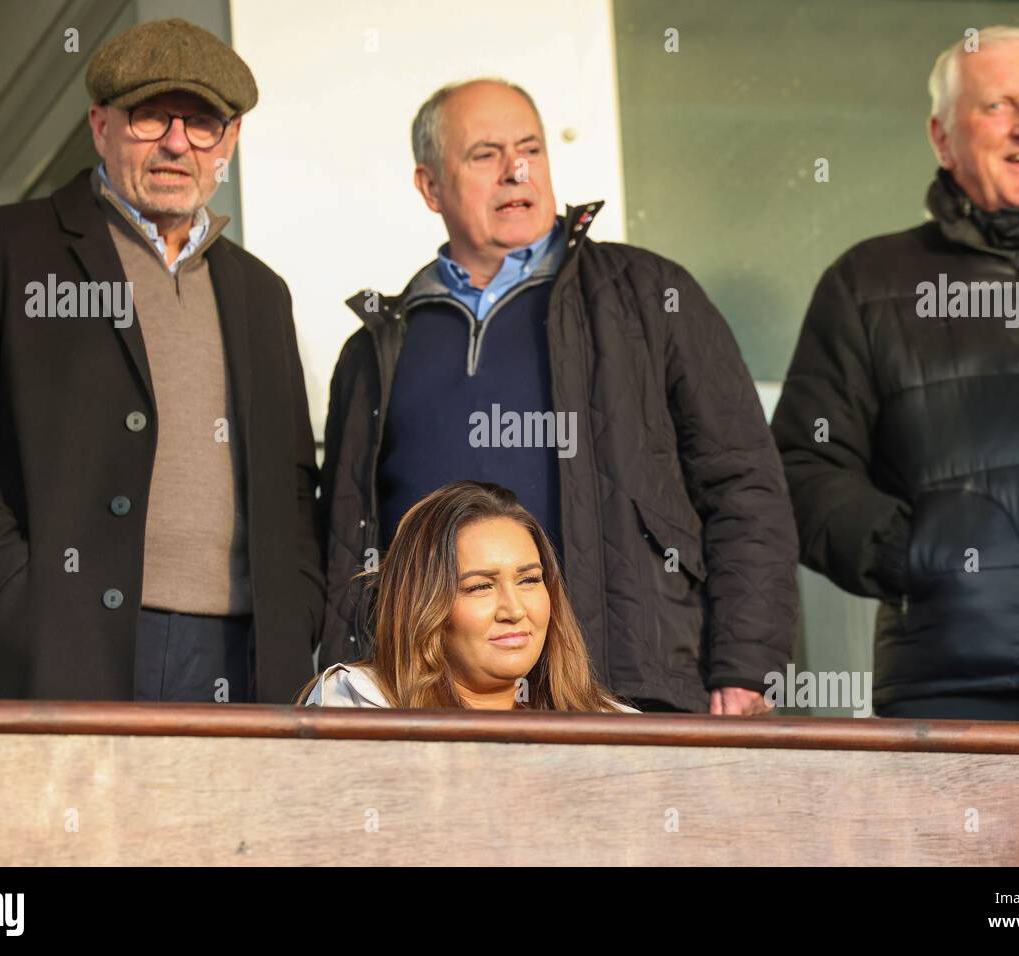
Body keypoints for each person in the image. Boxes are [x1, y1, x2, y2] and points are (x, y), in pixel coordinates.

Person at [0, 18, 324, 702]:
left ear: (228, 142)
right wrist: (11, 583)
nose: (178, 143)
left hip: (248, 660)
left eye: (202, 123)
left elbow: (293, 482)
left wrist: (301, 608)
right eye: (150, 117)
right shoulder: (0, 250)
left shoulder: (262, 292)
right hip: (66, 644)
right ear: (100, 126)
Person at [319, 78, 799, 715]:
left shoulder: (650, 296)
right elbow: (346, 539)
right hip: (425, 706)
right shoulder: (378, 347)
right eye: (485, 154)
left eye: (531, 150)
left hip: (630, 685)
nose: (516, 171)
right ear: (430, 186)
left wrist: (745, 667)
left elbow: (745, 487)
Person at [771, 27, 1019, 723]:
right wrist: (918, 556)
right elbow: (801, 466)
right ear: (942, 137)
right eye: (998, 106)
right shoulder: (869, 282)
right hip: (951, 687)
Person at [302, 481, 637, 713]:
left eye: (530, 580)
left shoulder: (618, 730)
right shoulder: (357, 701)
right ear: (423, 604)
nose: (514, 610)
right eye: (480, 586)